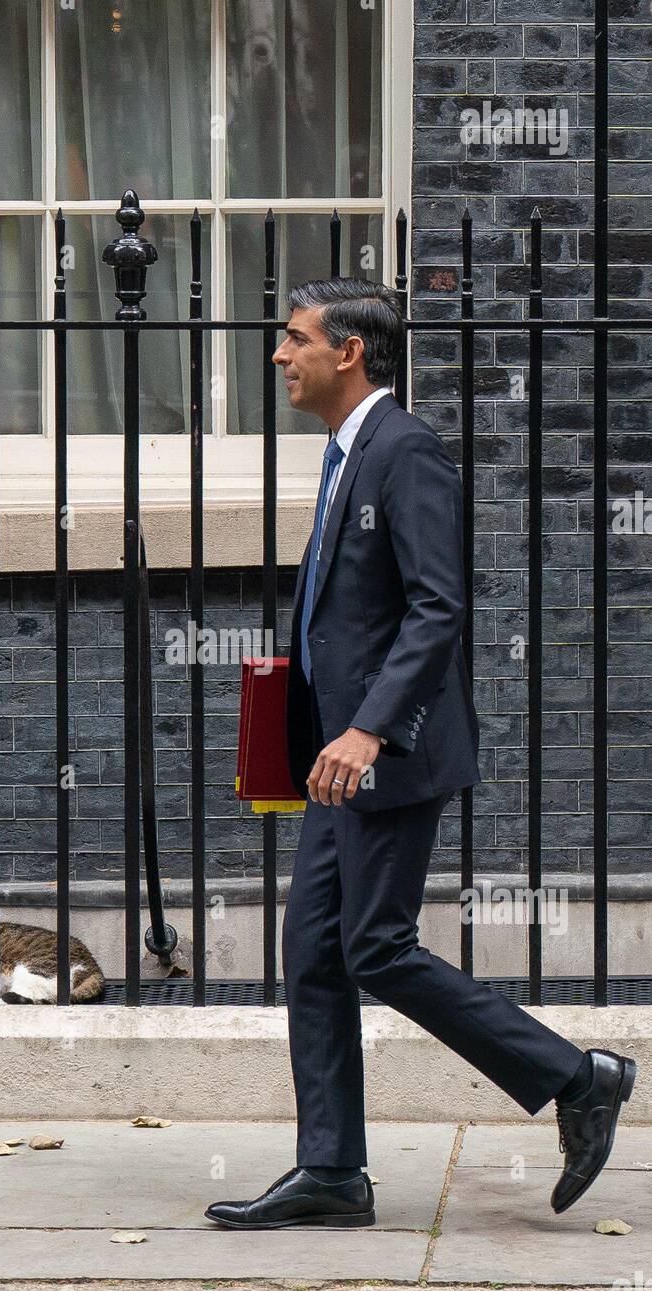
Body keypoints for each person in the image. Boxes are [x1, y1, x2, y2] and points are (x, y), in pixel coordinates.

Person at [205, 278, 636, 1231]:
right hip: (336, 757)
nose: (279, 356)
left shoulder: (407, 453)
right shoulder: (345, 453)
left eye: (294, 339)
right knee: (313, 955)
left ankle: (578, 1076)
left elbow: (439, 606)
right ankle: (332, 1172)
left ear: (349, 352)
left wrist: (366, 728)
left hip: (386, 754)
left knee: (375, 948)